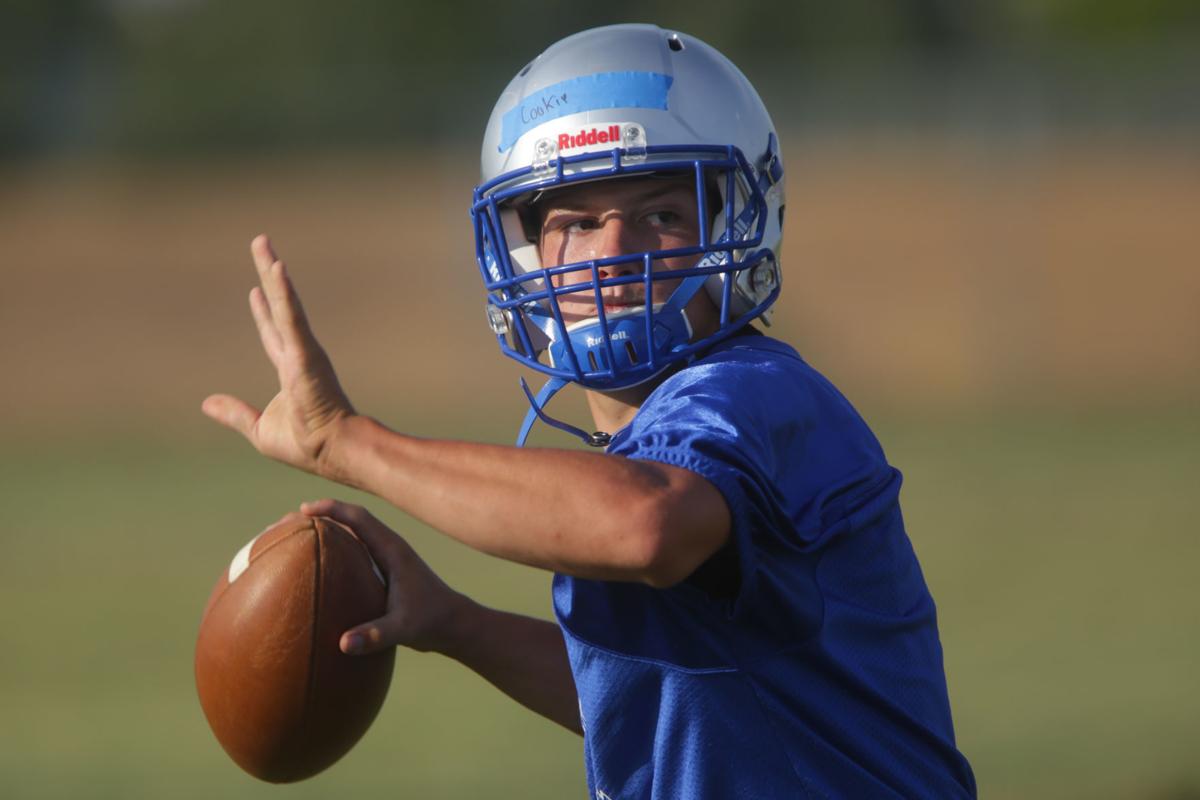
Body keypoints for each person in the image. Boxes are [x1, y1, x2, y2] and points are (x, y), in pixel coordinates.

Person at [203, 23, 977, 799]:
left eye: (661, 216)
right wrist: (457, 623)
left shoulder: (753, 391)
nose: (612, 255)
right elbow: (665, 704)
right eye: (576, 223)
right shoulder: (647, 449)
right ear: (525, 254)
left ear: (735, 224)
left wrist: (346, 443)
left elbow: (645, 525)